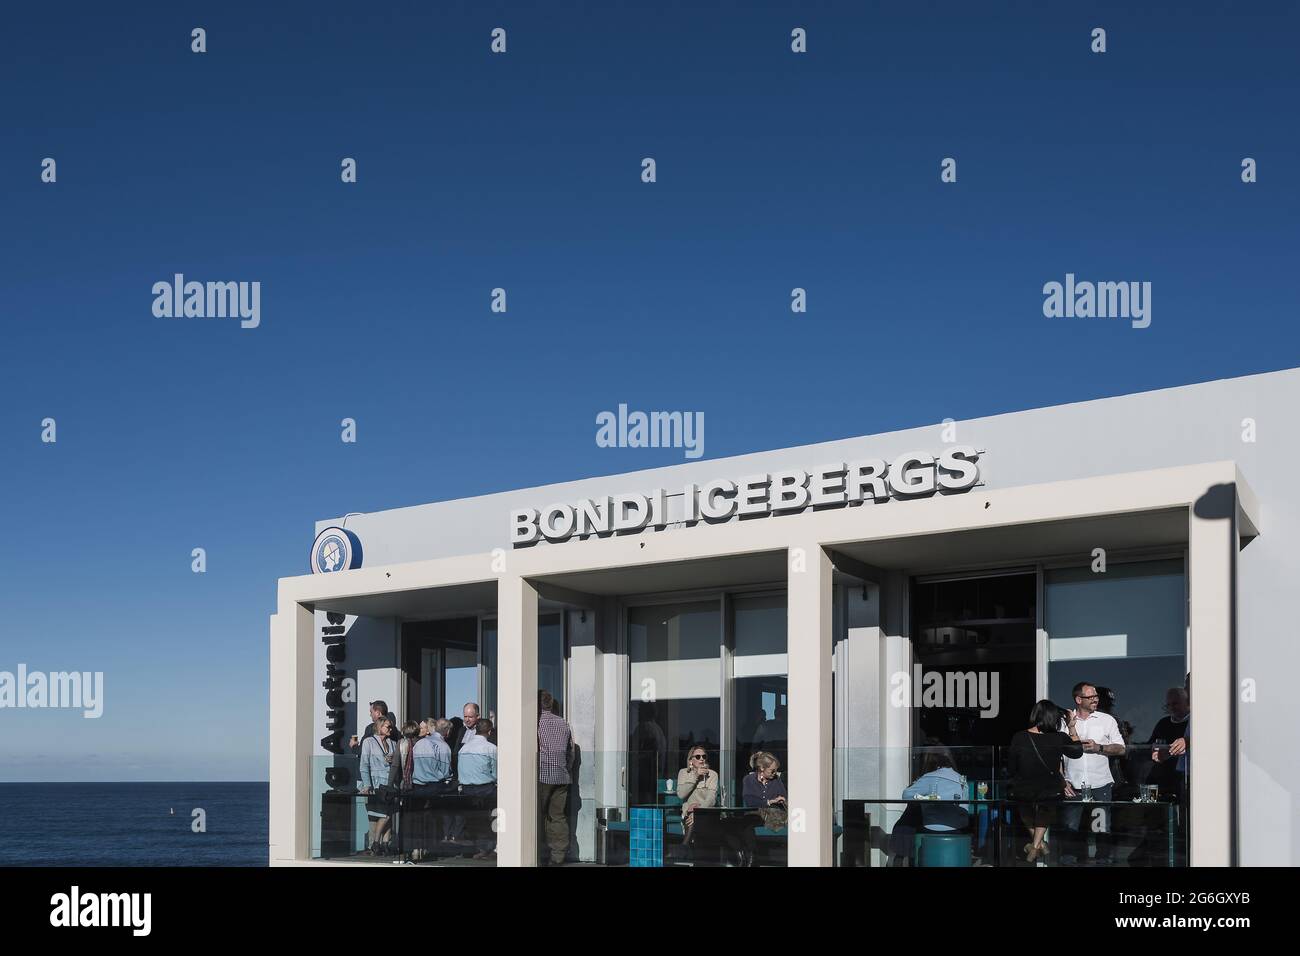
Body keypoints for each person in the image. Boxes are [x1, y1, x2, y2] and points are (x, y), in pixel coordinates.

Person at [1007, 701, 1084, 864]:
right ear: (1053, 717)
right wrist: (1071, 727)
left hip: (1023, 787)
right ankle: (1038, 844)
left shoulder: (1019, 736)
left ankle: (1034, 846)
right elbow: (1077, 752)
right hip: (1050, 789)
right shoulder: (1058, 737)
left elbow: (1011, 766)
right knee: (1044, 812)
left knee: (1025, 811)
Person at [1058, 682, 1126, 865]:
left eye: (1096, 696)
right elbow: (1056, 755)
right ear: (1078, 699)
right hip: (1073, 784)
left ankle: (1102, 862)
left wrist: (1099, 747)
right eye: (1091, 696)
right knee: (1070, 830)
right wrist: (1062, 781)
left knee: (1101, 829)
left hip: (1100, 784)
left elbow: (1121, 749)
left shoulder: (1107, 720)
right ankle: (1070, 862)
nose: (1096, 699)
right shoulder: (1064, 722)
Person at [888, 743, 970, 864]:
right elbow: (965, 809)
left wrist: (923, 797)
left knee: (907, 819)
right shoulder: (961, 779)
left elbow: (906, 795)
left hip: (931, 828)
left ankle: (902, 859)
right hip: (957, 829)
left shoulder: (930, 777)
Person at [537, 689, 573, 865]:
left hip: (542, 775)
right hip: (562, 775)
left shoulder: (535, 723)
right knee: (558, 816)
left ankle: (537, 851)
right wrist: (566, 768)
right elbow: (571, 751)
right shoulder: (563, 723)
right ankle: (558, 855)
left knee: (538, 815)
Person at [457, 717, 498, 860]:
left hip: (467, 790)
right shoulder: (491, 749)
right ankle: (495, 848)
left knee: (475, 821)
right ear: (489, 731)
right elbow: (497, 773)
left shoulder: (464, 748)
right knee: (495, 818)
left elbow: (461, 771)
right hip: (486, 789)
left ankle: (482, 848)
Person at [358, 714, 398, 854]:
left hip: (391, 784)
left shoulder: (393, 743)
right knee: (384, 815)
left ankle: (385, 844)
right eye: (388, 727)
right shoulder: (368, 742)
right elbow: (364, 765)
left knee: (390, 815)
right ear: (380, 727)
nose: (390, 730)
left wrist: (393, 760)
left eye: (391, 727)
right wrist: (367, 785)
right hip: (377, 784)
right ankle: (376, 842)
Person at [676, 746, 719, 846]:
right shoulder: (683, 773)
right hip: (688, 812)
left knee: (693, 821)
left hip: (706, 812)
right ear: (691, 760)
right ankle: (687, 850)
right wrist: (695, 776)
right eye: (698, 756)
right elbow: (681, 794)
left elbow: (711, 799)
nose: (702, 759)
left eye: (704, 756)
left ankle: (683, 848)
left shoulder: (712, 775)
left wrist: (698, 812)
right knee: (691, 819)